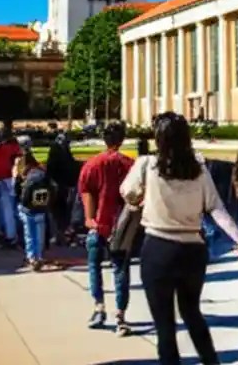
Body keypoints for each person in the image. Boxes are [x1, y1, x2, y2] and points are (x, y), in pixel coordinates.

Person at [121, 112, 238, 365]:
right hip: (192, 249)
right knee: (192, 313)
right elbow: (216, 209)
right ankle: (210, 360)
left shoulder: (148, 165)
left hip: (159, 247)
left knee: (165, 326)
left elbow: (128, 192)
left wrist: (142, 199)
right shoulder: (199, 168)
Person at [78, 122, 134, 333]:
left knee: (95, 266)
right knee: (120, 270)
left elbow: (85, 190)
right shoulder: (129, 164)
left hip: (98, 224)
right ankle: (121, 315)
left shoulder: (92, 165)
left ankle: (99, 306)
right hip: (120, 224)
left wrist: (90, 218)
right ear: (122, 139)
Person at [15, 150, 51, 270]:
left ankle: (31, 257)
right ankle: (39, 256)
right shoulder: (43, 173)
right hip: (42, 208)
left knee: (29, 234)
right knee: (40, 234)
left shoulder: (28, 177)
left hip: (29, 210)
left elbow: (22, 197)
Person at [0, 127, 23, 249]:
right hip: (6, 179)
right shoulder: (12, 148)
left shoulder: (4, 149)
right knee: (11, 210)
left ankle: (10, 235)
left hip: (4, 180)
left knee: (6, 210)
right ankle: (12, 233)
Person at [46, 132, 81, 246]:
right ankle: (65, 235)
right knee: (64, 213)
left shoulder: (57, 152)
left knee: (61, 214)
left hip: (62, 187)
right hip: (64, 186)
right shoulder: (62, 154)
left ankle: (61, 236)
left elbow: (50, 170)